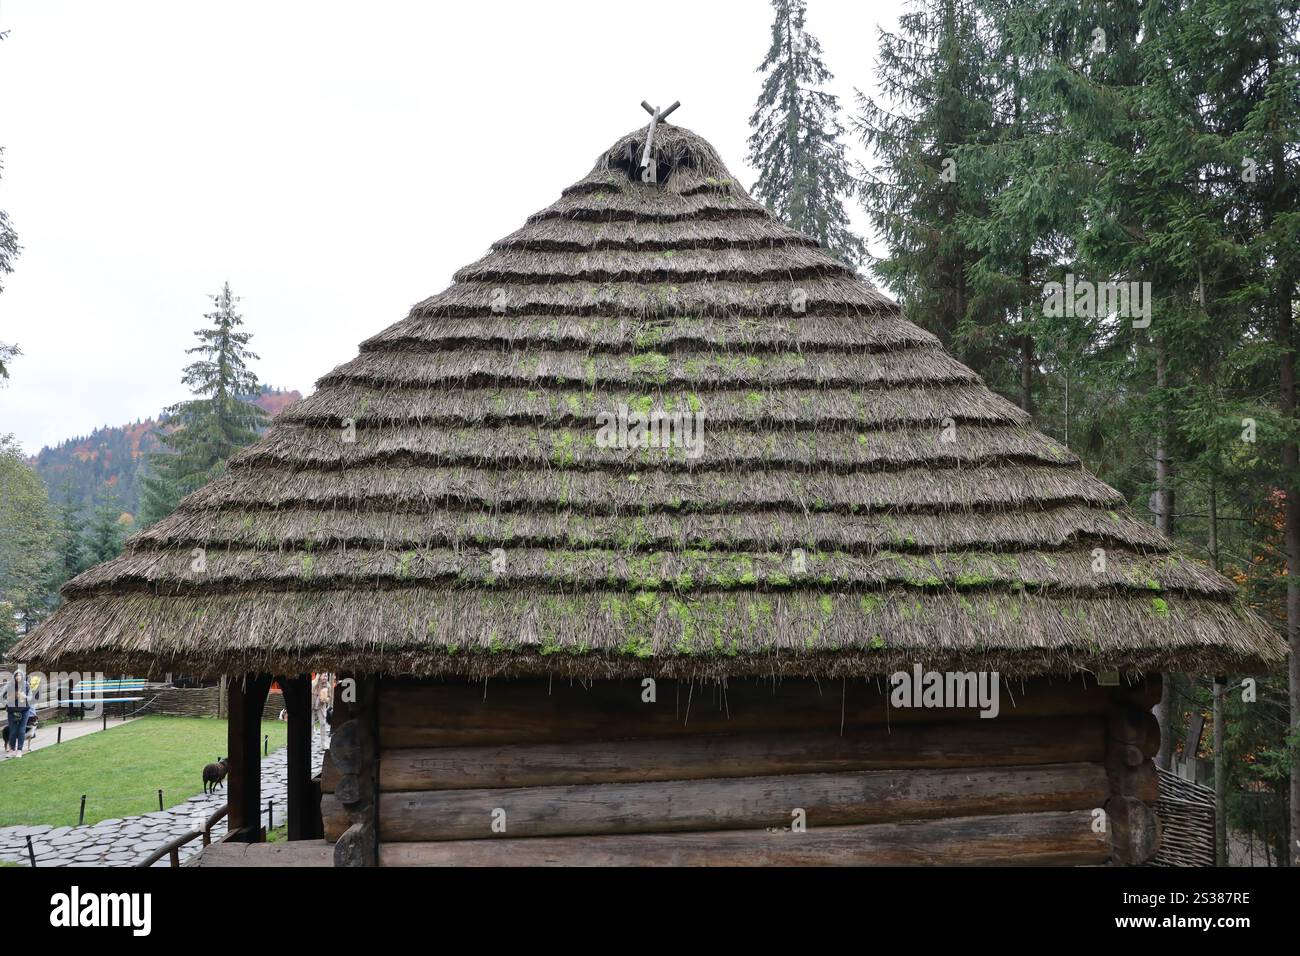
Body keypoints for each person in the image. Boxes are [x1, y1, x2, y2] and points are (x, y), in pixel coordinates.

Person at [5, 671, 37, 757]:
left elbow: (30, 697)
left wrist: (25, 696)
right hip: (12, 711)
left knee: (21, 730)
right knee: (13, 730)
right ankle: (12, 750)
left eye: (20, 676)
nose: (18, 677)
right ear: (14, 677)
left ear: (22, 677)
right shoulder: (10, 686)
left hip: (24, 710)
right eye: (16, 676)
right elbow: (4, 697)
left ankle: (19, 750)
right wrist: (12, 696)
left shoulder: (26, 685)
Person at [311, 672, 332, 750]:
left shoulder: (328, 686)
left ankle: (323, 744)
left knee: (323, 723)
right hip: (311, 705)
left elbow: (329, 697)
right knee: (311, 723)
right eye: (324, 675)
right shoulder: (313, 683)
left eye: (327, 676)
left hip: (321, 706)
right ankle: (310, 739)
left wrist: (326, 699)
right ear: (319, 676)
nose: (326, 677)